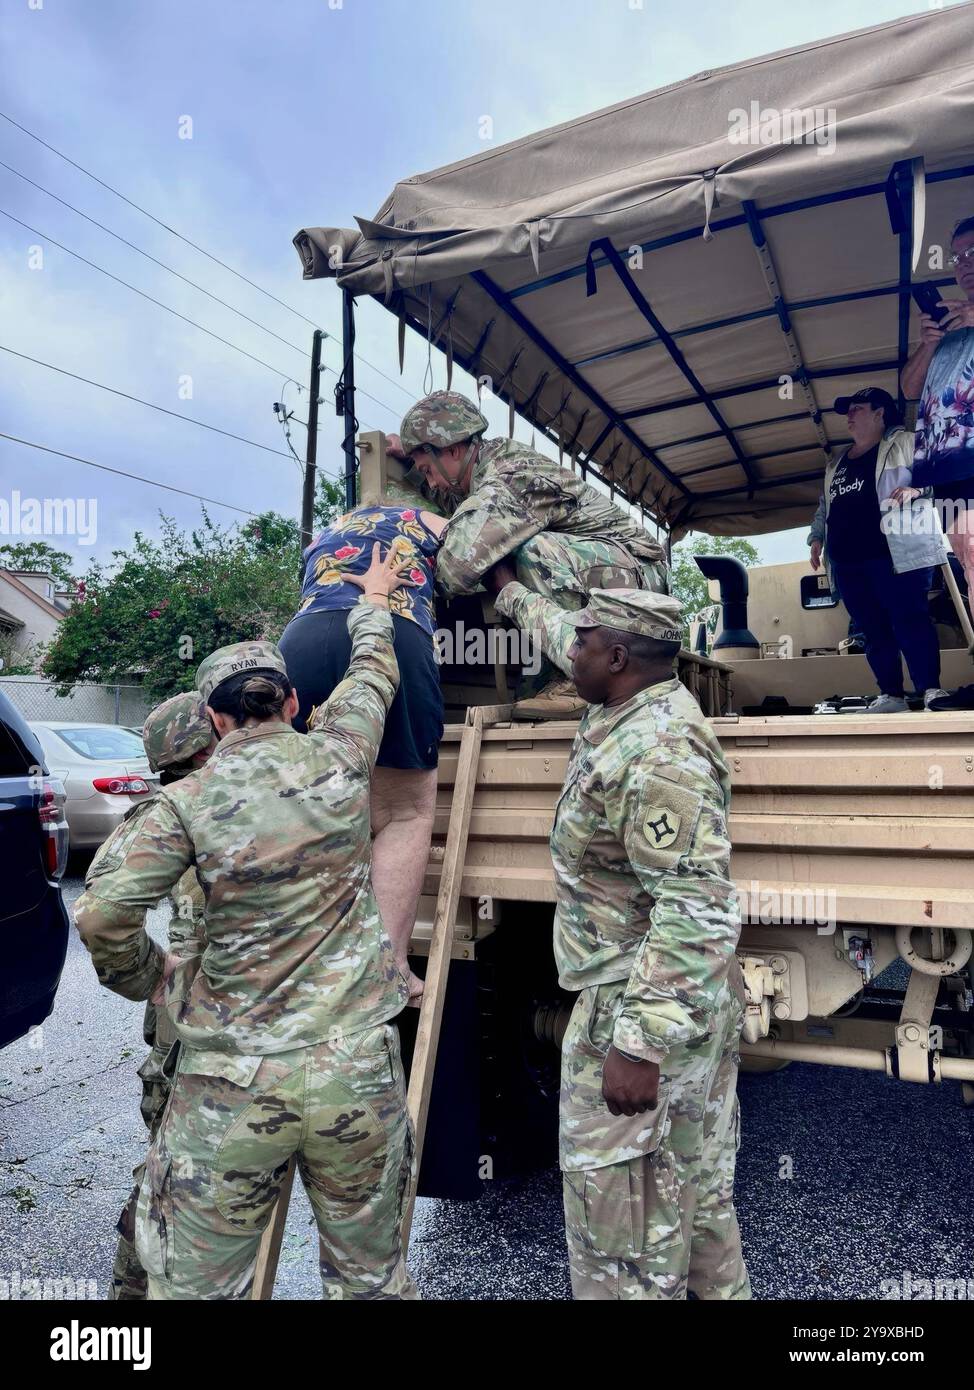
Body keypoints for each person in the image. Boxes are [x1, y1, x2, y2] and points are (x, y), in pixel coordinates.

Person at [74, 545, 419, 1301]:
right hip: (356, 1074)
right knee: (372, 1284)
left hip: (231, 1087)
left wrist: (152, 980)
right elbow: (372, 673)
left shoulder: (185, 803)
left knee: (195, 1289)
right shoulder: (342, 756)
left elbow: (102, 913)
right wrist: (375, 598)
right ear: (293, 703)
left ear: (213, 718)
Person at [485, 564, 749, 1300]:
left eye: (583, 644)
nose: (568, 655)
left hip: (639, 1004)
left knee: (620, 1242)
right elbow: (557, 627)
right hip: (671, 1001)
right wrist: (509, 589)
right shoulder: (629, 706)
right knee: (692, 1213)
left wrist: (638, 1044)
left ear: (618, 659)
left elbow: (697, 904)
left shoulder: (657, 750)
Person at [388, 390, 669, 716]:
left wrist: (391, 578)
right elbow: (452, 497)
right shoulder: (479, 471)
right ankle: (557, 674)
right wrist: (408, 463)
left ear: (452, 450)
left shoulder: (510, 478)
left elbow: (454, 569)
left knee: (531, 551)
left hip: (640, 573)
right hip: (607, 573)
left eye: (426, 470)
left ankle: (578, 677)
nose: (430, 483)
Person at [279, 503, 447, 1005]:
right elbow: (471, 556)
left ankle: (302, 959)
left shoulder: (334, 529)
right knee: (403, 812)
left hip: (303, 637)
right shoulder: (426, 520)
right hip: (390, 627)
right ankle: (389, 968)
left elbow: (309, 557)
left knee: (306, 799)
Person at [85, 692, 215, 1301]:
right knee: (177, 1192)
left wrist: (155, 980)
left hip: (182, 1026)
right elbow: (103, 918)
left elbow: (105, 917)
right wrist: (154, 976)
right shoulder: (198, 806)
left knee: (166, 1182)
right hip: (205, 1035)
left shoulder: (163, 810)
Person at [807, 388, 948, 713]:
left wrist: (917, 488)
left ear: (880, 413)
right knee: (871, 628)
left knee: (910, 620)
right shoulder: (837, 461)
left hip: (897, 553)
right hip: (848, 562)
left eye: (857, 408)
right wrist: (816, 536)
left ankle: (930, 689)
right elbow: (825, 504)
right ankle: (892, 695)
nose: (849, 416)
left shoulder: (907, 443)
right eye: (847, 410)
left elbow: (940, 474)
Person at [901, 215, 974, 618]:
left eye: (973, 252)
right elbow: (909, 389)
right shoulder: (951, 328)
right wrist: (928, 344)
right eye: (957, 256)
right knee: (967, 556)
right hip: (947, 467)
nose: (964, 263)